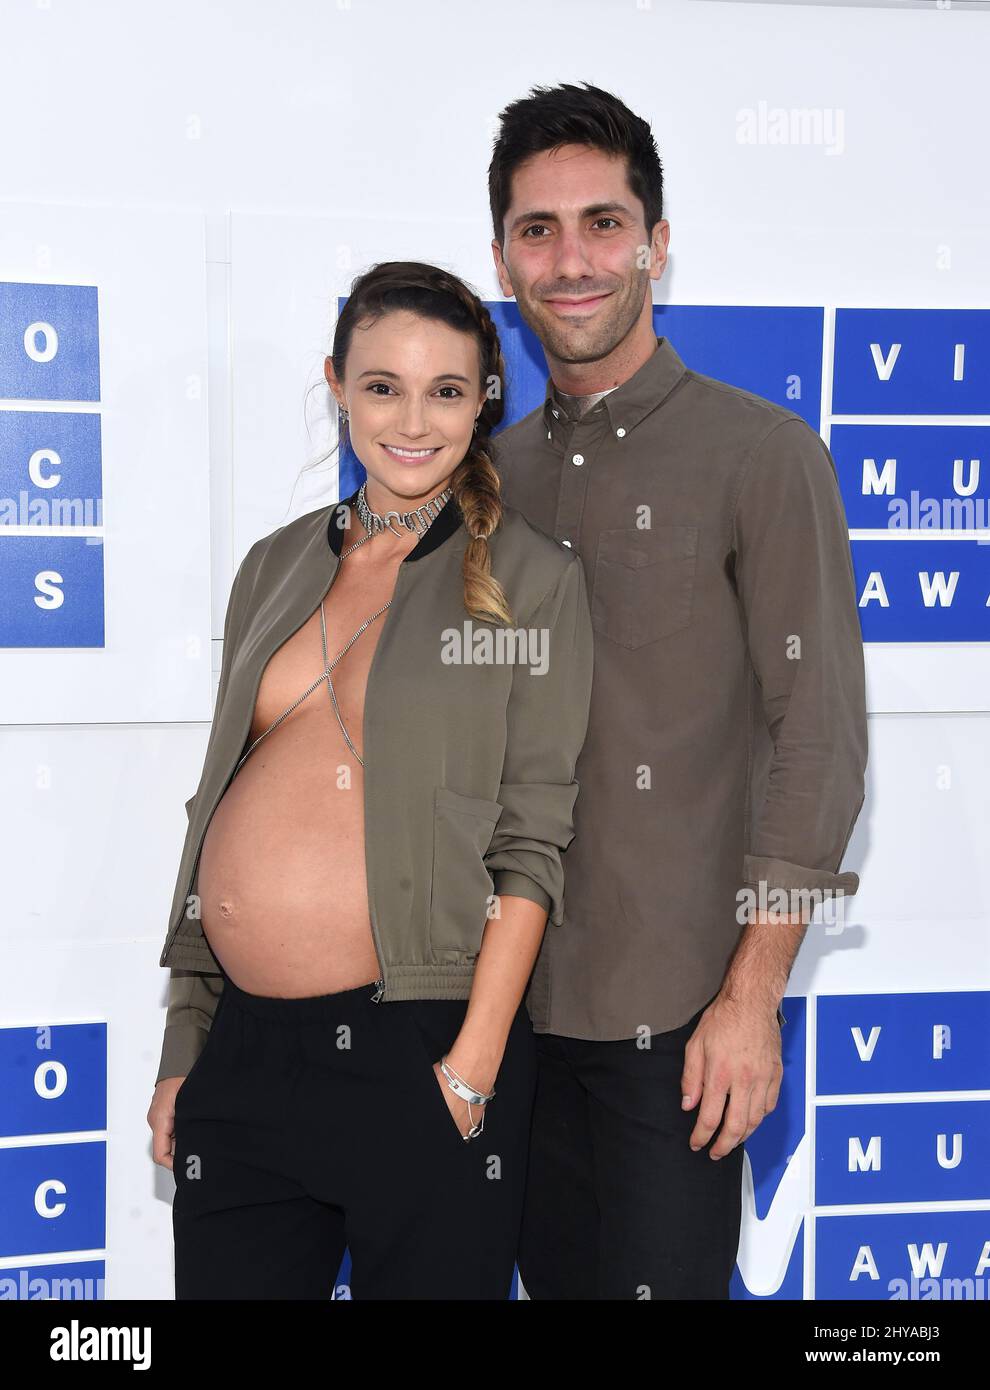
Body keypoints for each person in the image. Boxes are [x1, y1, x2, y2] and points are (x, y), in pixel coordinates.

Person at [146, 261, 594, 1300]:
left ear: (483, 401)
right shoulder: (273, 563)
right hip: (247, 1057)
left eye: (447, 389)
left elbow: (532, 843)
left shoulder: (533, 579)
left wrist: (471, 1064)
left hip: (424, 1045)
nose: (413, 419)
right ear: (336, 385)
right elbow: (215, 805)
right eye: (382, 384)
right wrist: (186, 1042)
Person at [487, 82, 869, 1300]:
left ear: (657, 243)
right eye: (538, 229)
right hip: (506, 1021)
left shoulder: (764, 455)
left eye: (603, 223)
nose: (572, 259)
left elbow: (818, 742)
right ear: (502, 258)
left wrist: (753, 998)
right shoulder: (484, 478)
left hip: (681, 1030)